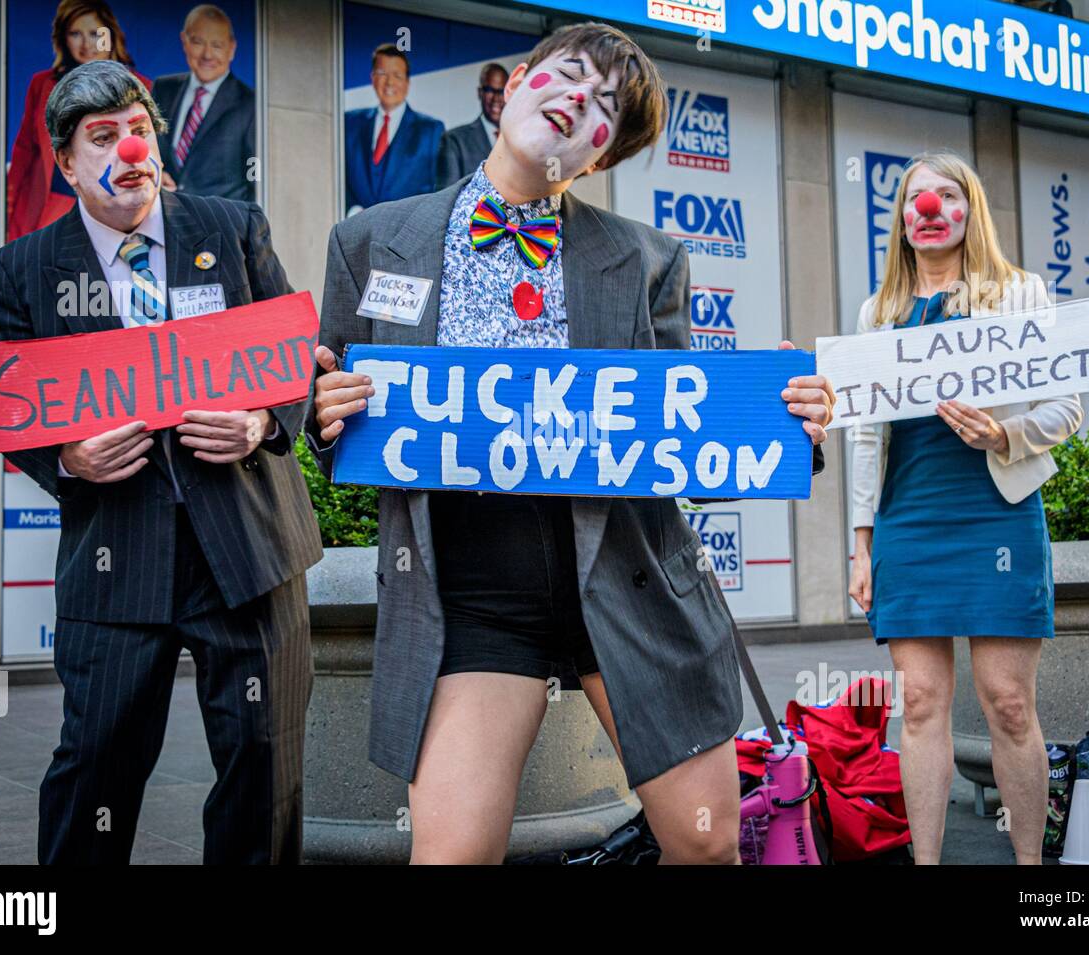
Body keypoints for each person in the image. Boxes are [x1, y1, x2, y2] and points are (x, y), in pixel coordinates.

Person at [308, 22, 836, 864]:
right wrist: (326, 409)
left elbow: (682, 432)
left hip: (624, 576)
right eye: (566, 75)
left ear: (599, 157)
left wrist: (778, 421)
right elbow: (338, 422)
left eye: (601, 106)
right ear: (516, 82)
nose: (575, 100)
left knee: (705, 849)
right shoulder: (371, 240)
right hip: (469, 594)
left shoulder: (648, 259)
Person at [0, 60, 322, 864]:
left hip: (246, 550)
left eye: (138, 128)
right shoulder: (25, 270)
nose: (128, 149)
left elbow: (297, 365)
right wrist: (66, 458)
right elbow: (13, 405)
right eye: (102, 137)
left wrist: (258, 422)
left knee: (261, 763)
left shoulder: (232, 229)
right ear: (65, 165)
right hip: (116, 559)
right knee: (94, 767)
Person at [847, 151, 1083, 865]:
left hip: (998, 514)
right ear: (900, 220)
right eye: (915, 198)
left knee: (1008, 704)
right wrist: (860, 542)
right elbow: (862, 433)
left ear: (969, 208)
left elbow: (1067, 407)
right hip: (909, 520)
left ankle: (1030, 870)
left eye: (945, 195)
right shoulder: (877, 311)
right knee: (918, 702)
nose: (928, 208)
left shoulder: (1020, 293)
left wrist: (1005, 431)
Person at [6, 0, 150, 241]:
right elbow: (24, 152)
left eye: (95, 34)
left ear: (111, 35)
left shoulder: (141, 87)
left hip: (114, 204)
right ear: (63, 38)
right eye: (75, 34)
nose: (86, 45)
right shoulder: (43, 84)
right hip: (53, 204)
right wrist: (8, 207)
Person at [153, 4, 256, 202]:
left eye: (217, 45)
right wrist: (155, 172)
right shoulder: (163, 88)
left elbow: (255, 178)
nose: (207, 55)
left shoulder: (251, 104)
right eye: (198, 42)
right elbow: (147, 146)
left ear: (232, 48)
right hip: (164, 218)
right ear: (185, 41)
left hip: (220, 226)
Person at [343, 43, 445, 215]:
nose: (389, 82)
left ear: (407, 82)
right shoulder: (349, 123)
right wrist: (353, 211)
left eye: (397, 75)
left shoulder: (431, 130)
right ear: (372, 78)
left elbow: (438, 191)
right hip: (355, 231)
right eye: (382, 73)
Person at [435, 62, 508, 189]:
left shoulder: (520, 140)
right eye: (490, 90)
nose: (496, 98)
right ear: (480, 93)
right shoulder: (454, 140)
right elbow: (446, 198)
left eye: (501, 91)